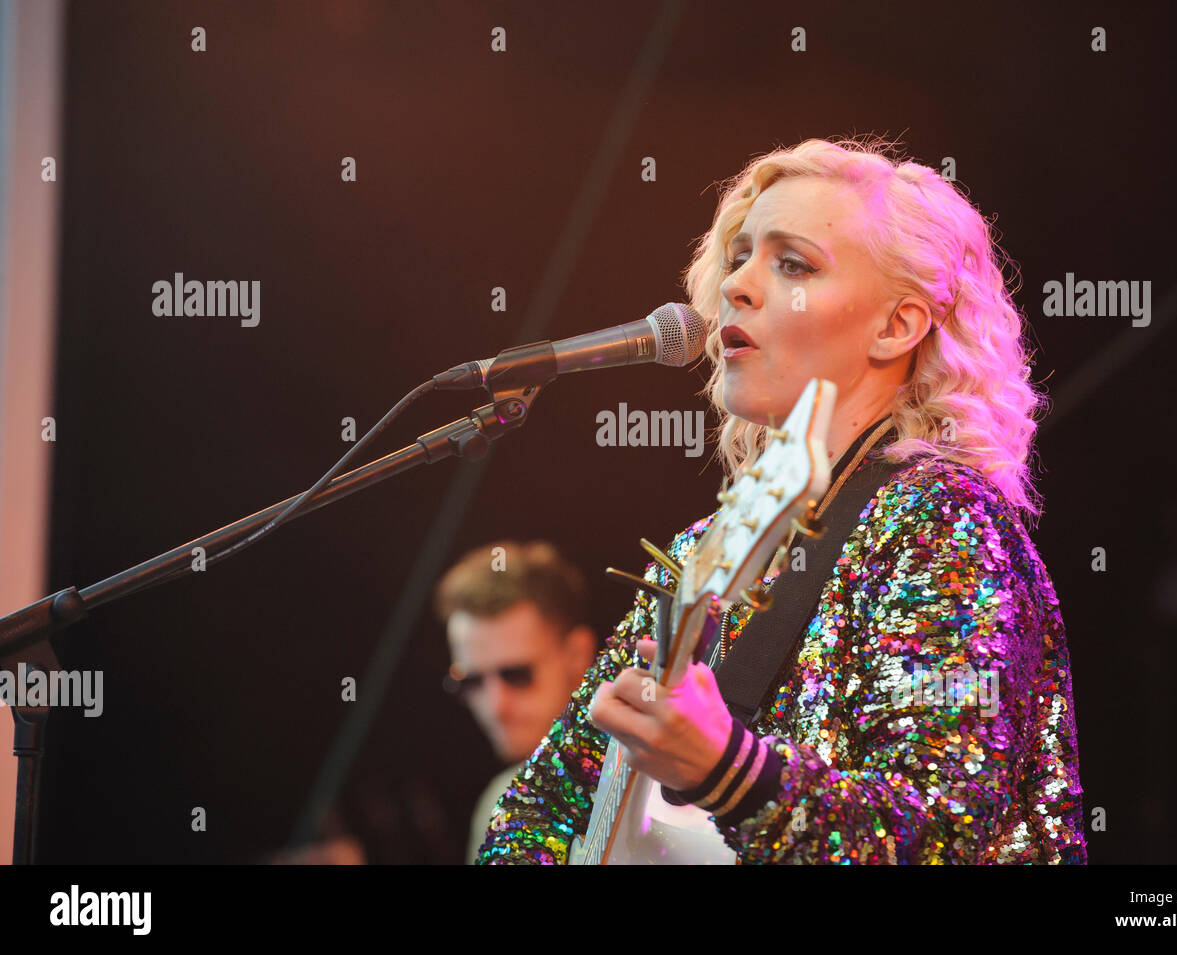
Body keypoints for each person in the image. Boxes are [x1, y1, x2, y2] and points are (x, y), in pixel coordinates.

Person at [476, 135, 1087, 864]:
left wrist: (729, 773)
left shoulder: (940, 522)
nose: (736, 285)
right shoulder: (701, 549)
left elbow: (941, 830)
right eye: (739, 255)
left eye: (792, 263)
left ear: (897, 326)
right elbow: (534, 810)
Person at [435, 540, 597, 864]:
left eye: (517, 674)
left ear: (577, 655)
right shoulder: (498, 802)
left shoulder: (645, 763)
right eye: (472, 682)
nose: (495, 706)